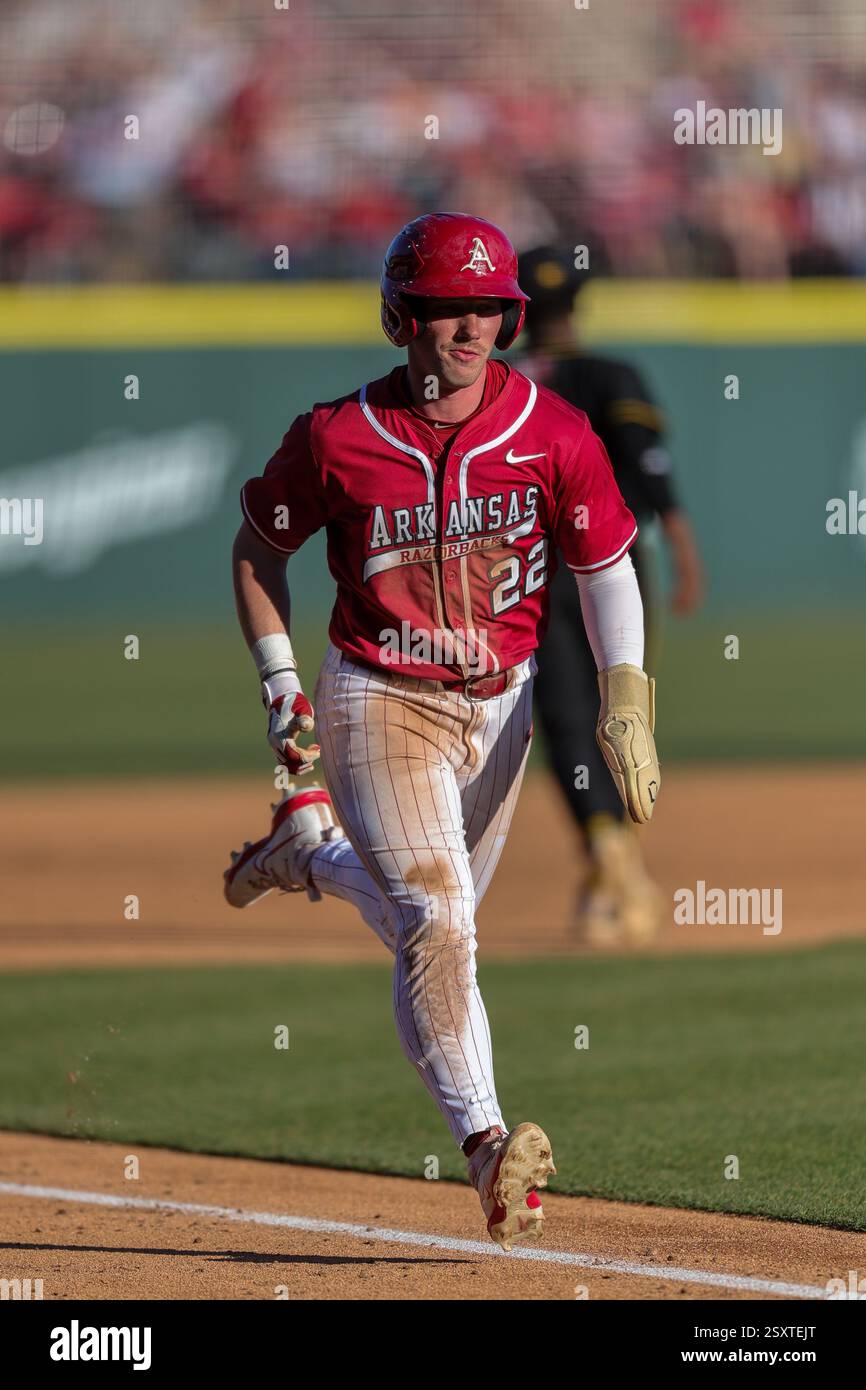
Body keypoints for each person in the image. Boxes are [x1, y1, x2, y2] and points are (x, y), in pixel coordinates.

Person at [224, 213, 660, 1250]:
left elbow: (602, 567)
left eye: (483, 309)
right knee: (436, 916)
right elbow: (256, 550)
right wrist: (284, 693)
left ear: (508, 317)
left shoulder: (552, 432)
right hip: (378, 695)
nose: (463, 329)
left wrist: (626, 696)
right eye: (438, 309)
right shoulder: (334, 436)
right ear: (398, 318)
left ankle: (311, 853)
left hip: (501, 705)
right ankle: (486, 1148)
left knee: (441, 927)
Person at [516, 247, 704, 947]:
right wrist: (685, 552)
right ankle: (619, 866)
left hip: (524, 572)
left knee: (564, 718)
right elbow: (650, 469)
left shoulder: (498, 384)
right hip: (608, 564)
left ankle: (605, 861)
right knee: (620, 711)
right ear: (578, 305)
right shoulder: (607, 374)